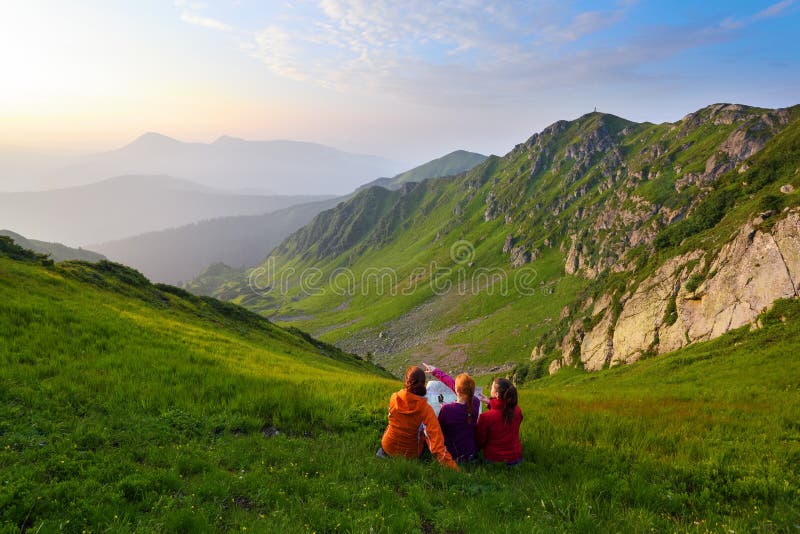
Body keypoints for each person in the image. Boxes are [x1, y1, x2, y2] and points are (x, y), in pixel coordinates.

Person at [379, 366, 458, 470]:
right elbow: (437, 444)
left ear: (406, 381)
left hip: (387, 446)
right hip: (411, 454)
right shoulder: (425, 409)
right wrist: (454, 468)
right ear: (424, 383)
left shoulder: (394, 397)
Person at [422, 363, 480, 463]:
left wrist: (444, 408)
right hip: (471, 452)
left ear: (456, 390)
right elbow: (455, 386)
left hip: (453, 454)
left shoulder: (447, 409)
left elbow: (440, 429)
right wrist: (436, 371)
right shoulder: (475, 402)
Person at [476, 377, 523, 465]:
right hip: (516, 458)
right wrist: (490, 404)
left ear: (497, 394)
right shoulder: (517, 410)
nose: (490, 389)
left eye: (492, 387)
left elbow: (480, 441)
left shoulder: (485, 417)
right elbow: (502, 413)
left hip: (494, 460)